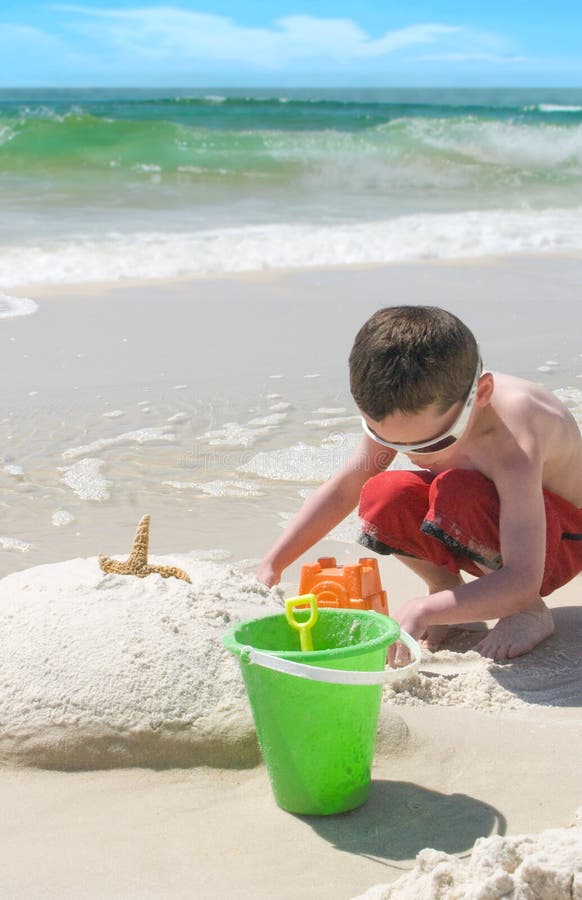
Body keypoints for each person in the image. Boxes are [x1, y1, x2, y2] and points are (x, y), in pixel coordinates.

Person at [257, 305, 582, 661]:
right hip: (483, 525)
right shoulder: (409, 405)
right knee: (383, 493)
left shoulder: (514, 435)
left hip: (556, 544)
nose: (413, 456)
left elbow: (523, 578)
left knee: (455, 489)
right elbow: (345, 488)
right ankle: (446, 590)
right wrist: (273, 564)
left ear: (481, 393)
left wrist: (422, 610)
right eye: (390, 442)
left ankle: (528, 612)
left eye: (431, 444)